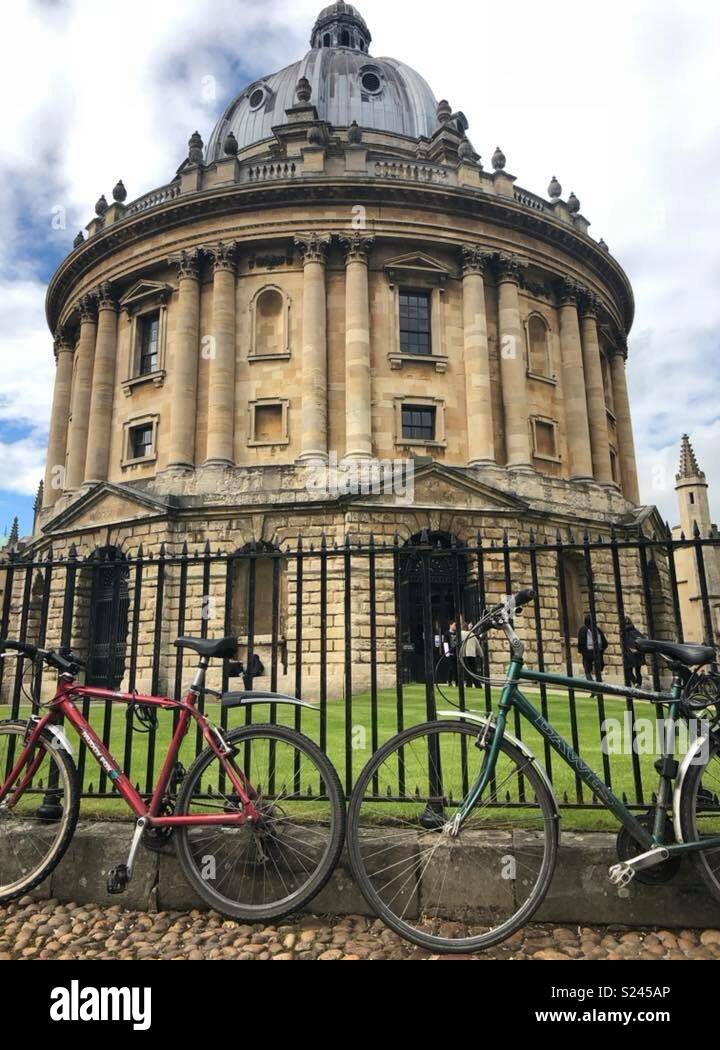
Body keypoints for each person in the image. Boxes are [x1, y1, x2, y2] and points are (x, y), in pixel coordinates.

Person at [577, 614, 608, 681]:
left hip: (587, 653)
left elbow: (581, 642)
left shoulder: (583, 629)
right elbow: (605, 643)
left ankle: (591, 683)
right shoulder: (598, 629)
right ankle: (599, 681)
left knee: (587, 670)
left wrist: (580, 651)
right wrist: (601, 650)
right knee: (598, 670)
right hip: (597, 653)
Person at [621, 616, 646, 688]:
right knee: (638, 671)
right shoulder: (636, 631)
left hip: (629, 654)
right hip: (639, 653)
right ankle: (639, 685)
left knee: (628, 671)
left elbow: (624, 644)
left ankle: (635, 683)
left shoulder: (624, 632)